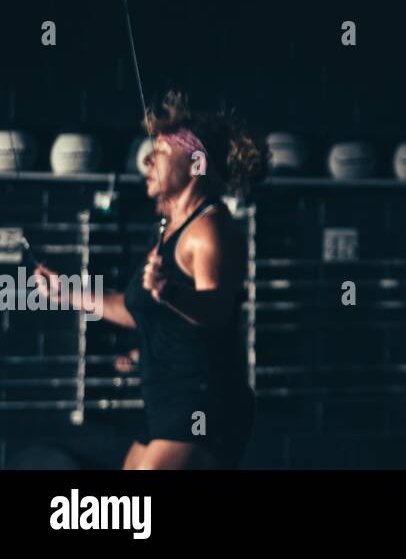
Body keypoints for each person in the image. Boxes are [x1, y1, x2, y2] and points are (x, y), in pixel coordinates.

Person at [36, 90, 266, 468]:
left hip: (203, 405)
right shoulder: (170, 229)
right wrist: (68, 293)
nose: (146, 159)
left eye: (159, 152)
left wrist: (169, 292)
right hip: (167, 404)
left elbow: (216, 310)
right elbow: (136, 310)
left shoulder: (207, 230)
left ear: (195, 164)